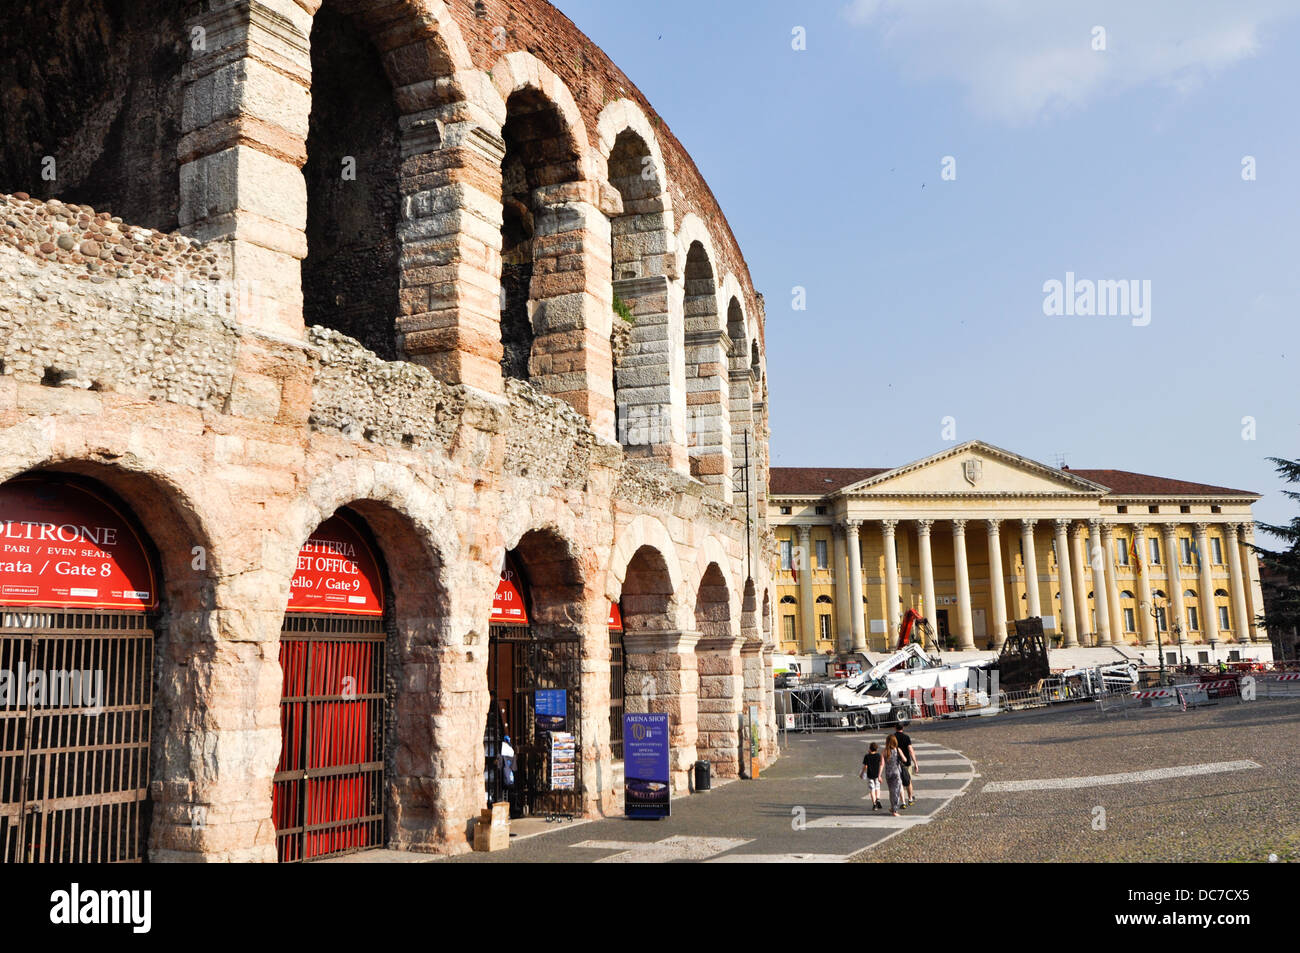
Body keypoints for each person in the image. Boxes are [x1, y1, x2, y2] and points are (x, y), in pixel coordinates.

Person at [893, 723, 918, 806]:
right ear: (903, 728)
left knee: (899, 783)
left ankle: (903, 802)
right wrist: (915, 763)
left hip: (896, 763)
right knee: (908, 781)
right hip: (906, 763)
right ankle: (910, 799)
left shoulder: (893, 738)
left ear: (895, 728)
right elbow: (910, 750)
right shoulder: (906, 737)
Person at [883, 735, 905, 816]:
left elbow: (882, 764)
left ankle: (893, 808)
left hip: (888, 773)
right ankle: (895, 810)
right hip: (896, 773)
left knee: (891, 791)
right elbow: (904, 759)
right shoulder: (897, 750)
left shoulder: (885, 751)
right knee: (896, 791)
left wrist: (879, 775)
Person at [860, 742, 883, 811]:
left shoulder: (867, 756)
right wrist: (880, 775)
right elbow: (881, 764)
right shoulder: (878, 755)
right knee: (877, 788)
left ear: (870, 748)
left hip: (870, 775)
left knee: (872, 790)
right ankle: (878, 799)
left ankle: (874, 804)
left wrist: (862, 773)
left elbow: (865, 766)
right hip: (877, 775)